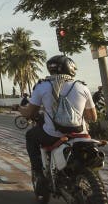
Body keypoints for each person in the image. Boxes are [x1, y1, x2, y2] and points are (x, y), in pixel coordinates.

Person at [19, 55, 96, 200]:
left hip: (53, 135)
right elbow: (92, 117)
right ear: (71, 69)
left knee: (31, 136)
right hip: (81, 134)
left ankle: (39, 174)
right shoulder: (82, 87)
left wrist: (19, 108)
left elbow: (29, 113)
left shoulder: (42, 86)